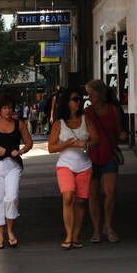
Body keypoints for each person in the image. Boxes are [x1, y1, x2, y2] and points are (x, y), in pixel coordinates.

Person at [0, 91, 33, 248]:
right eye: (4, 108)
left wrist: (21, 151)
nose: (8, 111)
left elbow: (29, 143)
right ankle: (0, 237)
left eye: (10, 108)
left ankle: (10, 230)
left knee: (11, 197)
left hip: (13, 166)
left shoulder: (19, 124)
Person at [48, 88, 99, 249]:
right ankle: (69, 235)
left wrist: (86, 144)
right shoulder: (59, 123)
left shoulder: (86, 120)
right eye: (75, 99)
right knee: (68, 196)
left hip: (84, 166)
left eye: (79, 99)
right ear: (67, 103)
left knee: (79, 201)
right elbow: (51, 147)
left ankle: (76, 237)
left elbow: (96, 139)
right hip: (65, 165)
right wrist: (67, 144)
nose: (78, 102)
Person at [85, 79, 126, 244]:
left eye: (92, 93)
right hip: (92, 157)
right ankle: (96, 229)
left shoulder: (112, 110)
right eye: (88, 94)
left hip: (109, 154)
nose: (90, 97)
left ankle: (108, 225)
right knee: (93, 195)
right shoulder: (87, 112)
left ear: (100, 93)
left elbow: (118, 130)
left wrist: (121, 135)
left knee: (110, 191)